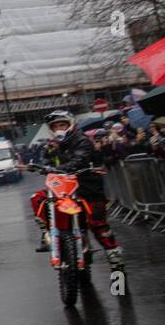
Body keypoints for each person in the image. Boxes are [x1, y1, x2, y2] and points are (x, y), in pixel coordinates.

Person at [28, 109, 124, 277]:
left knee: (97, 224)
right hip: (63, 189)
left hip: (87, 188)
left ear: (71, 125)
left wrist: (56, 168)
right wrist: (45, 160)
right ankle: (47, 233)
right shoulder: (54, 144)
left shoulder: (82, 141)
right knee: (38, 198)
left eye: (62, 124)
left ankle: (115, 258)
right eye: (56, 125)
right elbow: (46, 161)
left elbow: (79, 159)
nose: (59, 128)